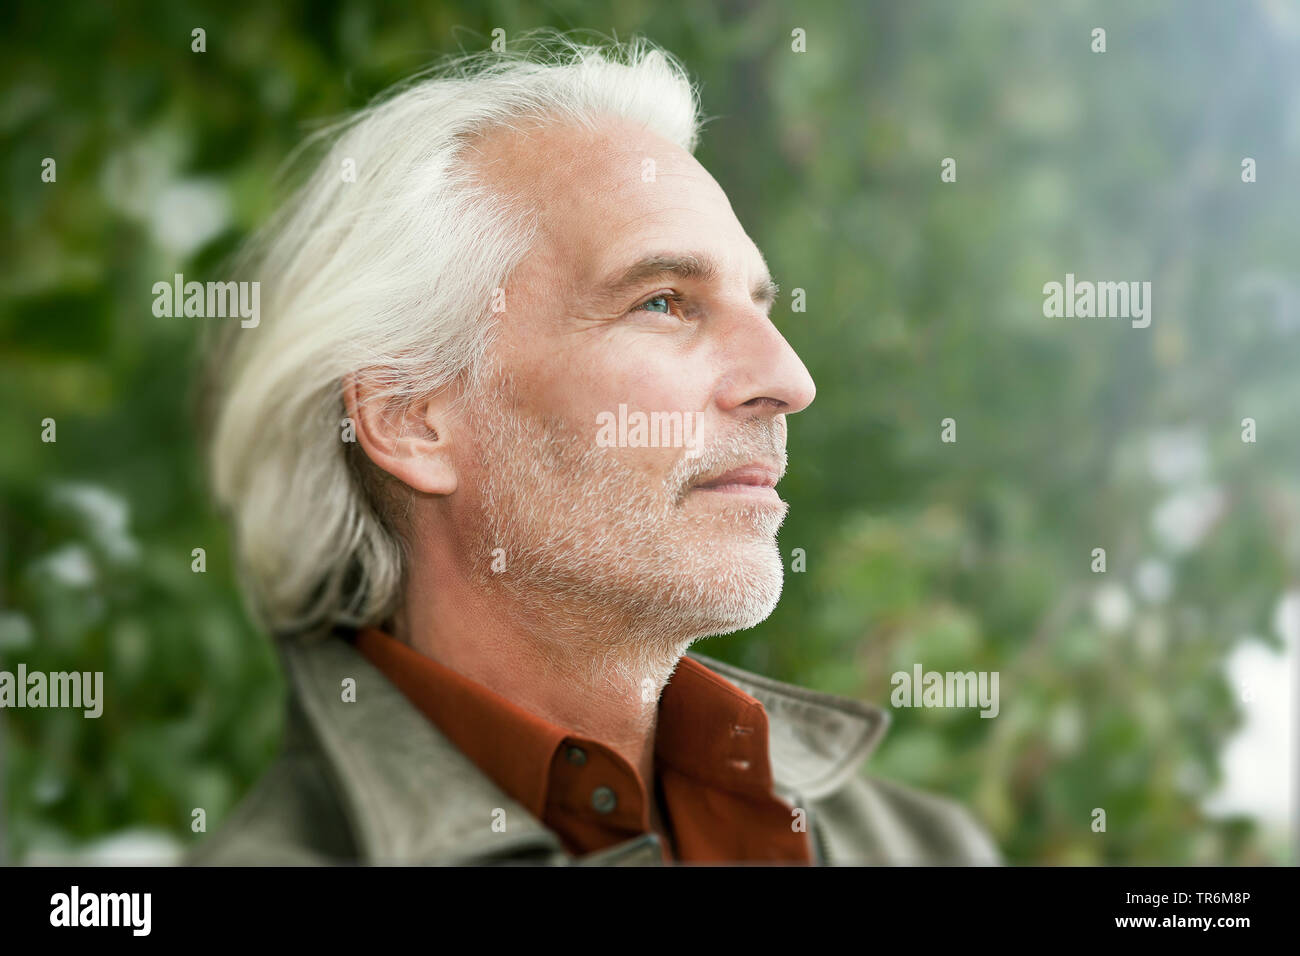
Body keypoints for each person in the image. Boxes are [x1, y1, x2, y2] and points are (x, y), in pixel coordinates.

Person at [190, 32, 1000, 866]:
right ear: (408, 417)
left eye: (760, 306)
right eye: (663, 302)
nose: (788, 378)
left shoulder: (925, 848)